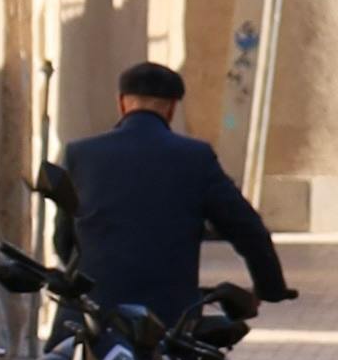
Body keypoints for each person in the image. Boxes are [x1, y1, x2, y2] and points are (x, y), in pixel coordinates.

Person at [58, 57, 293, 322]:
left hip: (90, 313)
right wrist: (270, 287)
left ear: (122, 102)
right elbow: (247, 229)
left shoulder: (80, 154)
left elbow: (63, 239)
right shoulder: (196, 157)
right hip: (168, 316)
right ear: (171, 109)